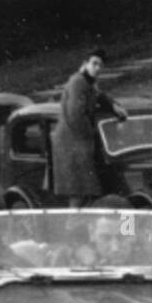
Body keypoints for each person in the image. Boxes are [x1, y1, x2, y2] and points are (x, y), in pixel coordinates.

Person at [52, 49, 128, 207]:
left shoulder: (88, 83)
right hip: (73, 144)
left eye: (101, 65)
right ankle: (75, 220)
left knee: (87, 188)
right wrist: (93, 134)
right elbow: (75, 115)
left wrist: (114, 106)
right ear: (85, 64)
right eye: (94, 63)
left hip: (80, 143)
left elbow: (99, 96)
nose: (97, 68)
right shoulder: (77, 82)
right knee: (80, 190)